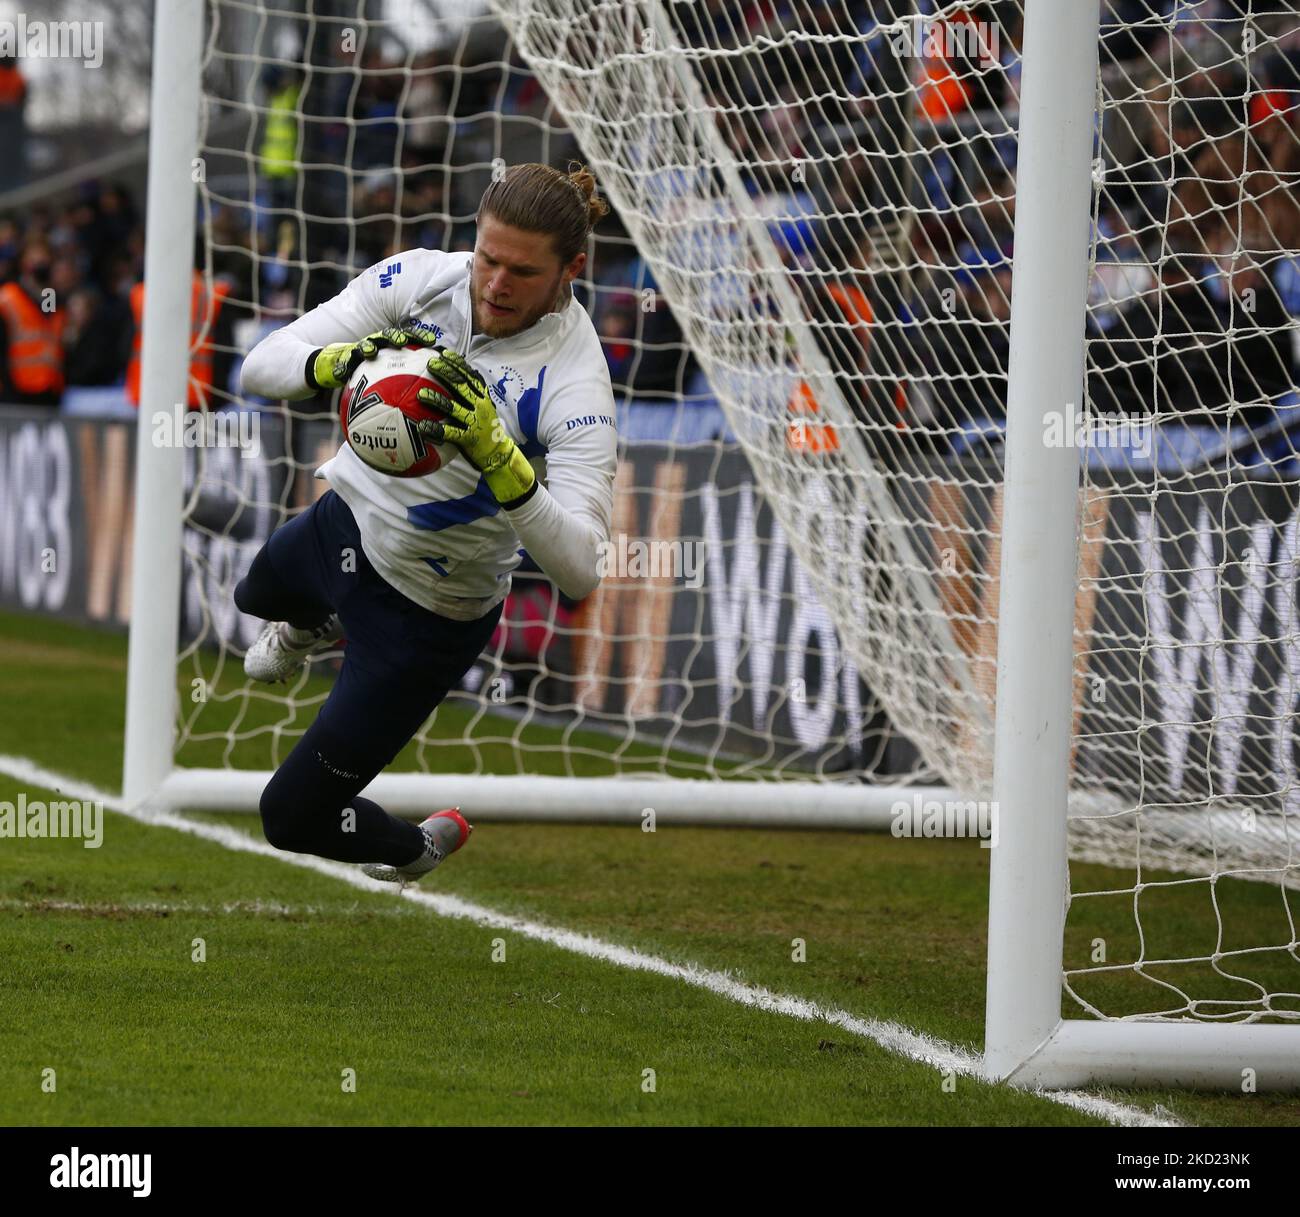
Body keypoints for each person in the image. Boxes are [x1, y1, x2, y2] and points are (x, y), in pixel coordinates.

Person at [235, 163, 617, 884]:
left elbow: (581, 568)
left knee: (290, 817)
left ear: (572, 269)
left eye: (522, 272)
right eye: (488, 258)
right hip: (345, 524)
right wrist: (335, 363)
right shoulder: (421, 278)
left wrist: (503, 460)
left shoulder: (574, 380)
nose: (495, 284)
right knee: (255, 597)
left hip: (427, 613)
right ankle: (313, 621)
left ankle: (415, 848)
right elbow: (263, 365)